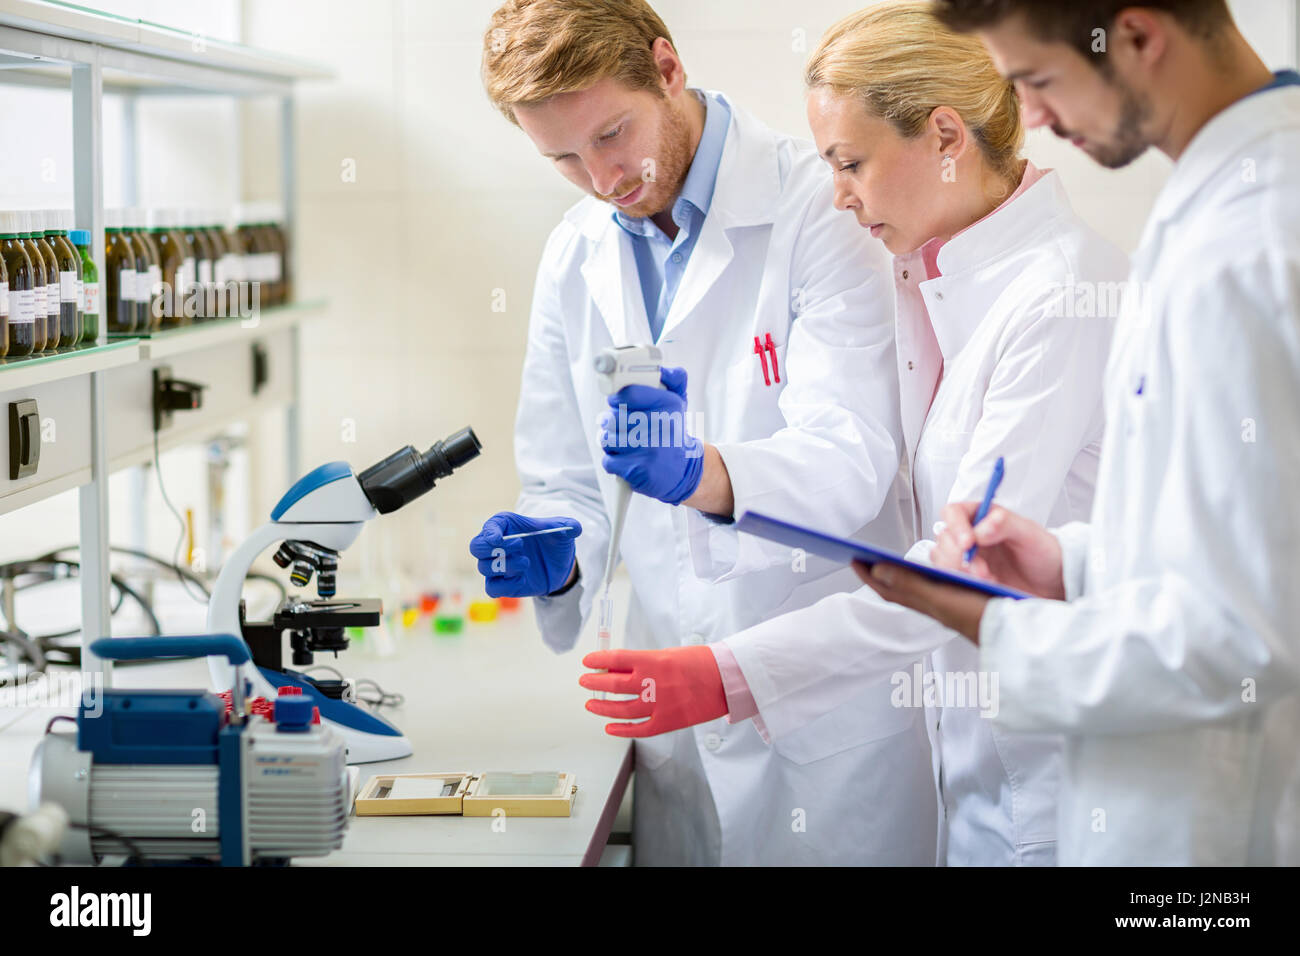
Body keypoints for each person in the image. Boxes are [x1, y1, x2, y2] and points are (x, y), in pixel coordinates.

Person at [581, 0, 1129, 866]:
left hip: (1059, 792)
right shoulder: (932, 277)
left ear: (946, 135)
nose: (838, 197)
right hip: (976, 771)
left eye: (851, 163)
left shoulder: (1060, 296)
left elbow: (963, 575)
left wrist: (729, 673)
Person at [471, 0, 929, 865]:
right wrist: (554, 547)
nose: (602, 177)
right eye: (563, 157)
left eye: (612, 133)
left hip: (823, 709)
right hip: (671, 700)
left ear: (668, 67)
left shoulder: (819, 210)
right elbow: (567, 478)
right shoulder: (574, 253)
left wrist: (703, 474)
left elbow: (853, 453)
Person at [860, 0, 1300, 865]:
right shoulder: (1215, 208)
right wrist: (1077, 564)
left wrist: (1001, 629)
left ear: (1136, 36)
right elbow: (1240, 537)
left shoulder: (1252, 244)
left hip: (1214, 847)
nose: (1039, 120)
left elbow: (1246, 636)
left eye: (1039, 81)